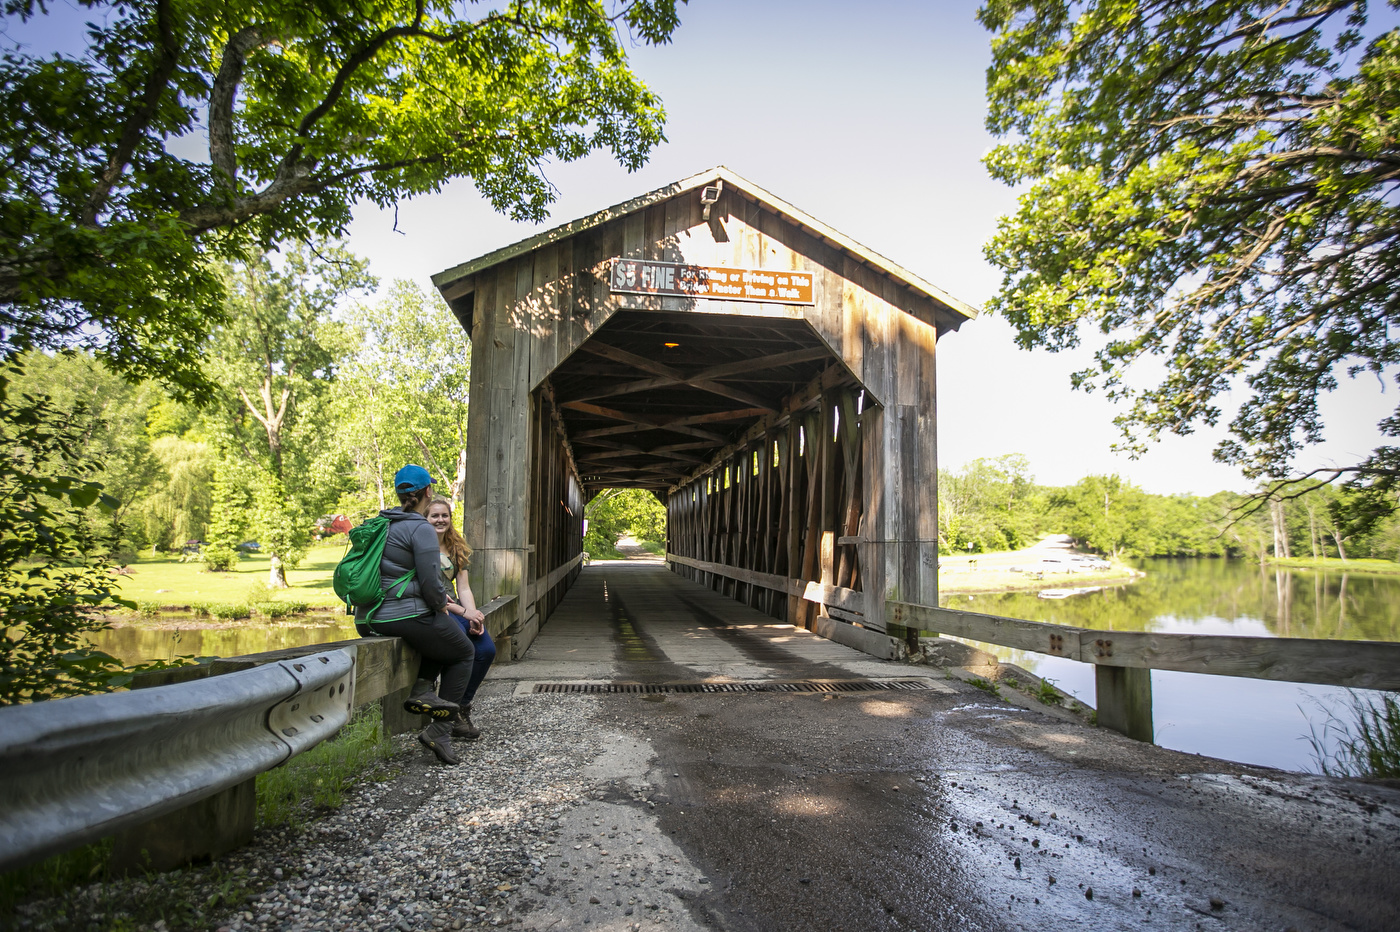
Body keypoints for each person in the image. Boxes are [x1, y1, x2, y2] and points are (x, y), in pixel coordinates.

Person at [356, 465, 475, 765]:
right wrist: (444, 607)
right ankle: (440, 730)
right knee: (463, 651)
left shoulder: (384, 522)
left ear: (399, 494)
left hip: (372, 616)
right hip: (403, 615)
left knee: (442, 632)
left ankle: (423, 691)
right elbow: (431, 585)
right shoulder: (419, 527)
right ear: (427, 492)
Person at [426, 496, 495, 740]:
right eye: (434, 515)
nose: (440, 520)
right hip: (434, 610)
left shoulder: (456, 546)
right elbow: (432, 592)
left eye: (444, 515)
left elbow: (463, 588)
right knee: (464, 649)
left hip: (457, 609)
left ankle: (461, 706)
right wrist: (464, 613)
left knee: (486, 649)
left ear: (450, 519)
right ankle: (449, 713)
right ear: (426, 518)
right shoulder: (420, 545)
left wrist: (475, 616)